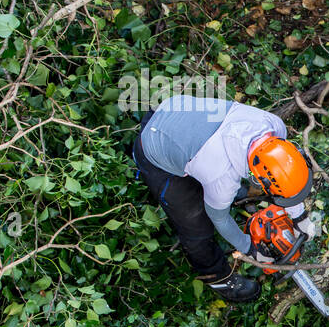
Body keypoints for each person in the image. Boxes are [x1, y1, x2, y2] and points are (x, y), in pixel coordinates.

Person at [130, 94, 314, 302]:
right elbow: (220, 219)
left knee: (221, 188)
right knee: (196, 225)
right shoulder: (220, 176)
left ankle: (226, 192)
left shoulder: (273, 126)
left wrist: (300, 218)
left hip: (176, 111)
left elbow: (282, 170)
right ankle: (218, 276)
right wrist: (249, 247)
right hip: (154, 144)